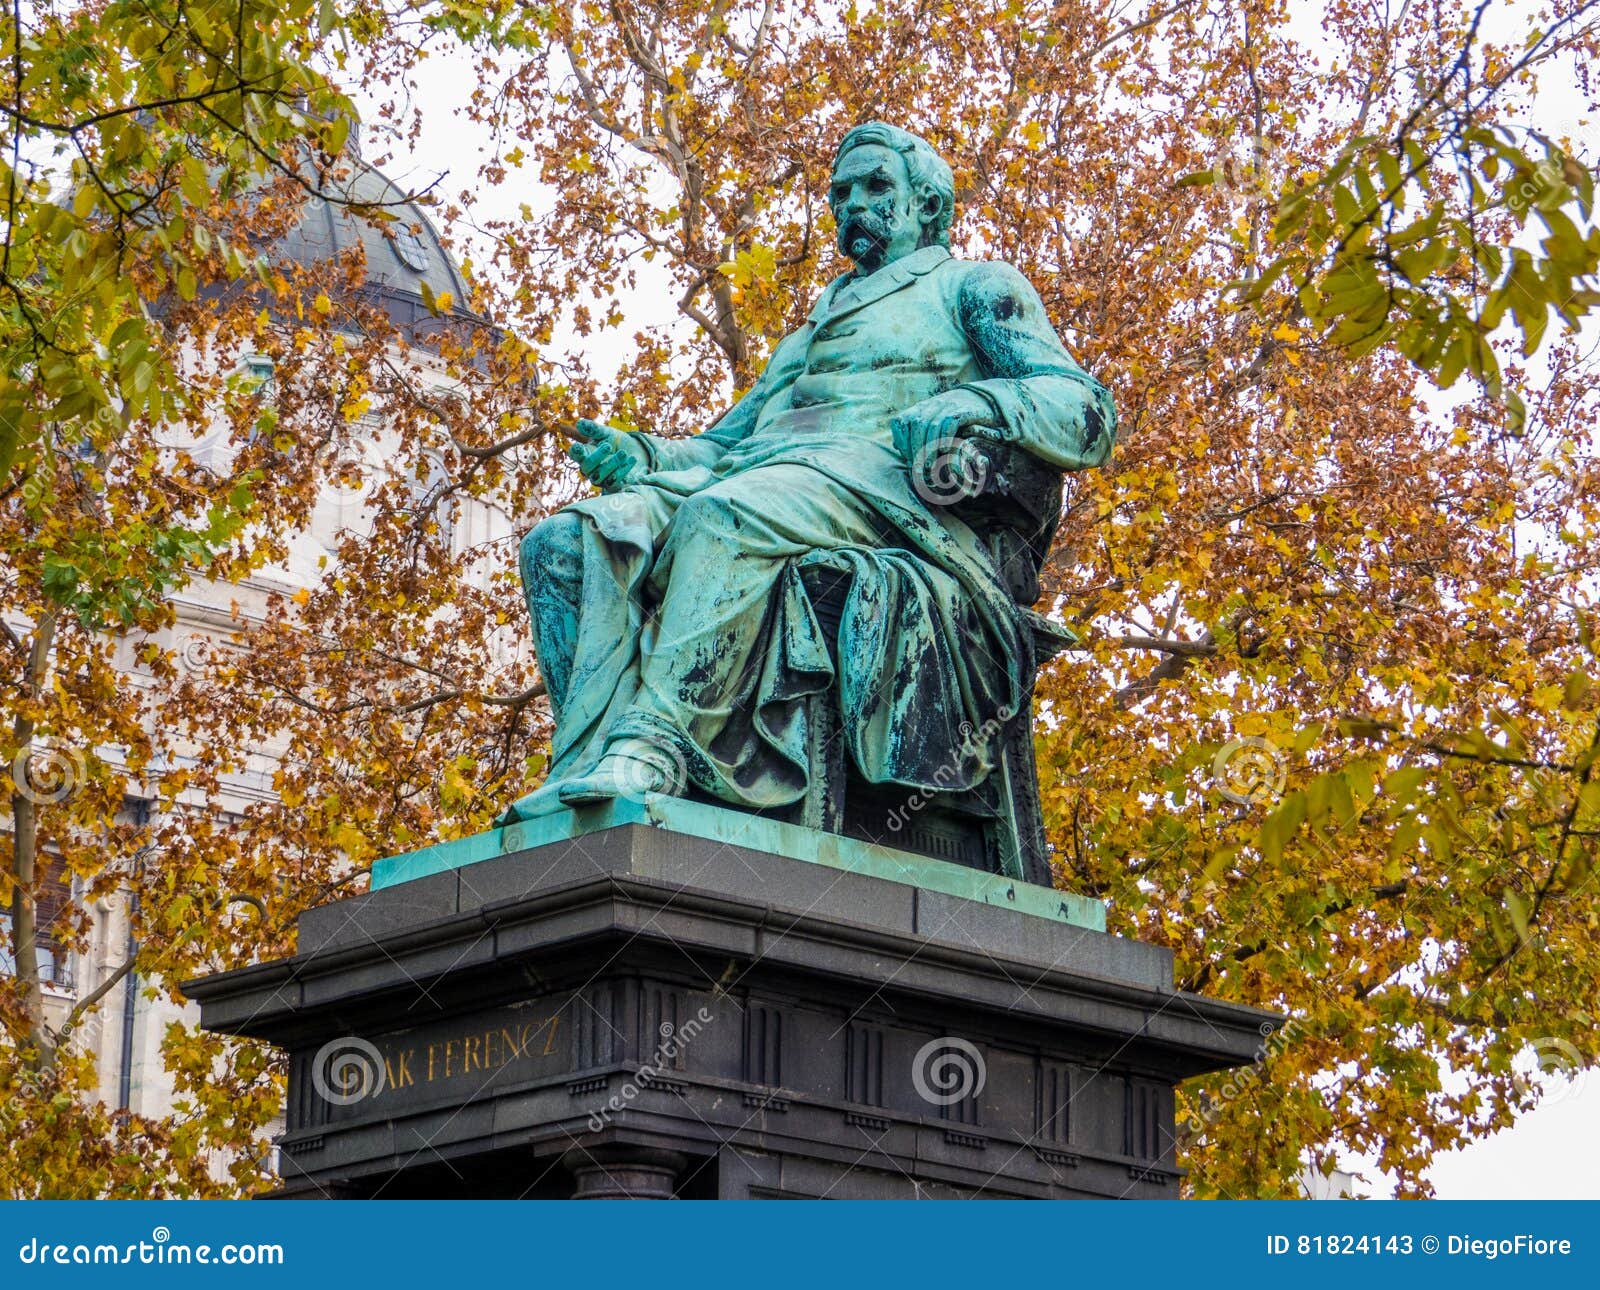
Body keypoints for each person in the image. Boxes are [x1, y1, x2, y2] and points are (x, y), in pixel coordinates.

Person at [501, 121, 1115, 822]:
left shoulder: (972, 287)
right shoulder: (808, 331)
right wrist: (640, 456)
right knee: (565, 543)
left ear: (928, 206)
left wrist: (976, 399)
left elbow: (1085, 408)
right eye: (841, 192)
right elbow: (721, 448)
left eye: (877, 186)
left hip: (881, 491)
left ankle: (655, 746)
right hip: (763, 477)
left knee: (723, 515)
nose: (854, 204)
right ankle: (584, 765)